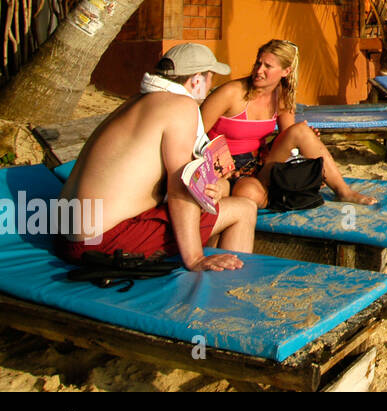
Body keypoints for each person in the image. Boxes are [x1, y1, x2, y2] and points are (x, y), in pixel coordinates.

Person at [57, 43, 256, 271]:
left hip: (65, 235)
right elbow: (181, 184)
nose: (211, 87)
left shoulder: (135, 102)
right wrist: (195, 259)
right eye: (210, 78)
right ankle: (230, 295)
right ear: (196, 80)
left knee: (212, 207)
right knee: (244, 209)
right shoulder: (181, 106)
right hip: (100, 242)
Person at [202, 39, 378, 207]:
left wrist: (306, 139)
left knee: (301, 131)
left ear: (285, 71)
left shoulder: (282, 95)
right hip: (222, 166)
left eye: (268, 66)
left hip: (259, 163)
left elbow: (288, 138)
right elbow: (193, 135)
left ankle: (343, 191)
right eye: (258, 63)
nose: (258, 70)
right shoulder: (231, 93)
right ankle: (270, 193)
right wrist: (217, 169)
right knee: (249, 193)